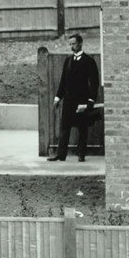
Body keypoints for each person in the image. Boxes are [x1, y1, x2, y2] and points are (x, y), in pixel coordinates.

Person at [48, 33, 101, 163]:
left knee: (82, 127)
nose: (72, 46)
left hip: (82, 100)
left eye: (74, 44)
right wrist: (57, 98)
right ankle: (61, 155)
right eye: (70, 44)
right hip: (69, 100)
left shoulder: (89, 61)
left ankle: (81, 154)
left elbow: (94, 82)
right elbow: (63, 81)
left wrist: (91, 100)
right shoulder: (68, 60)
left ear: (81, 43)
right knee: (65, 127)